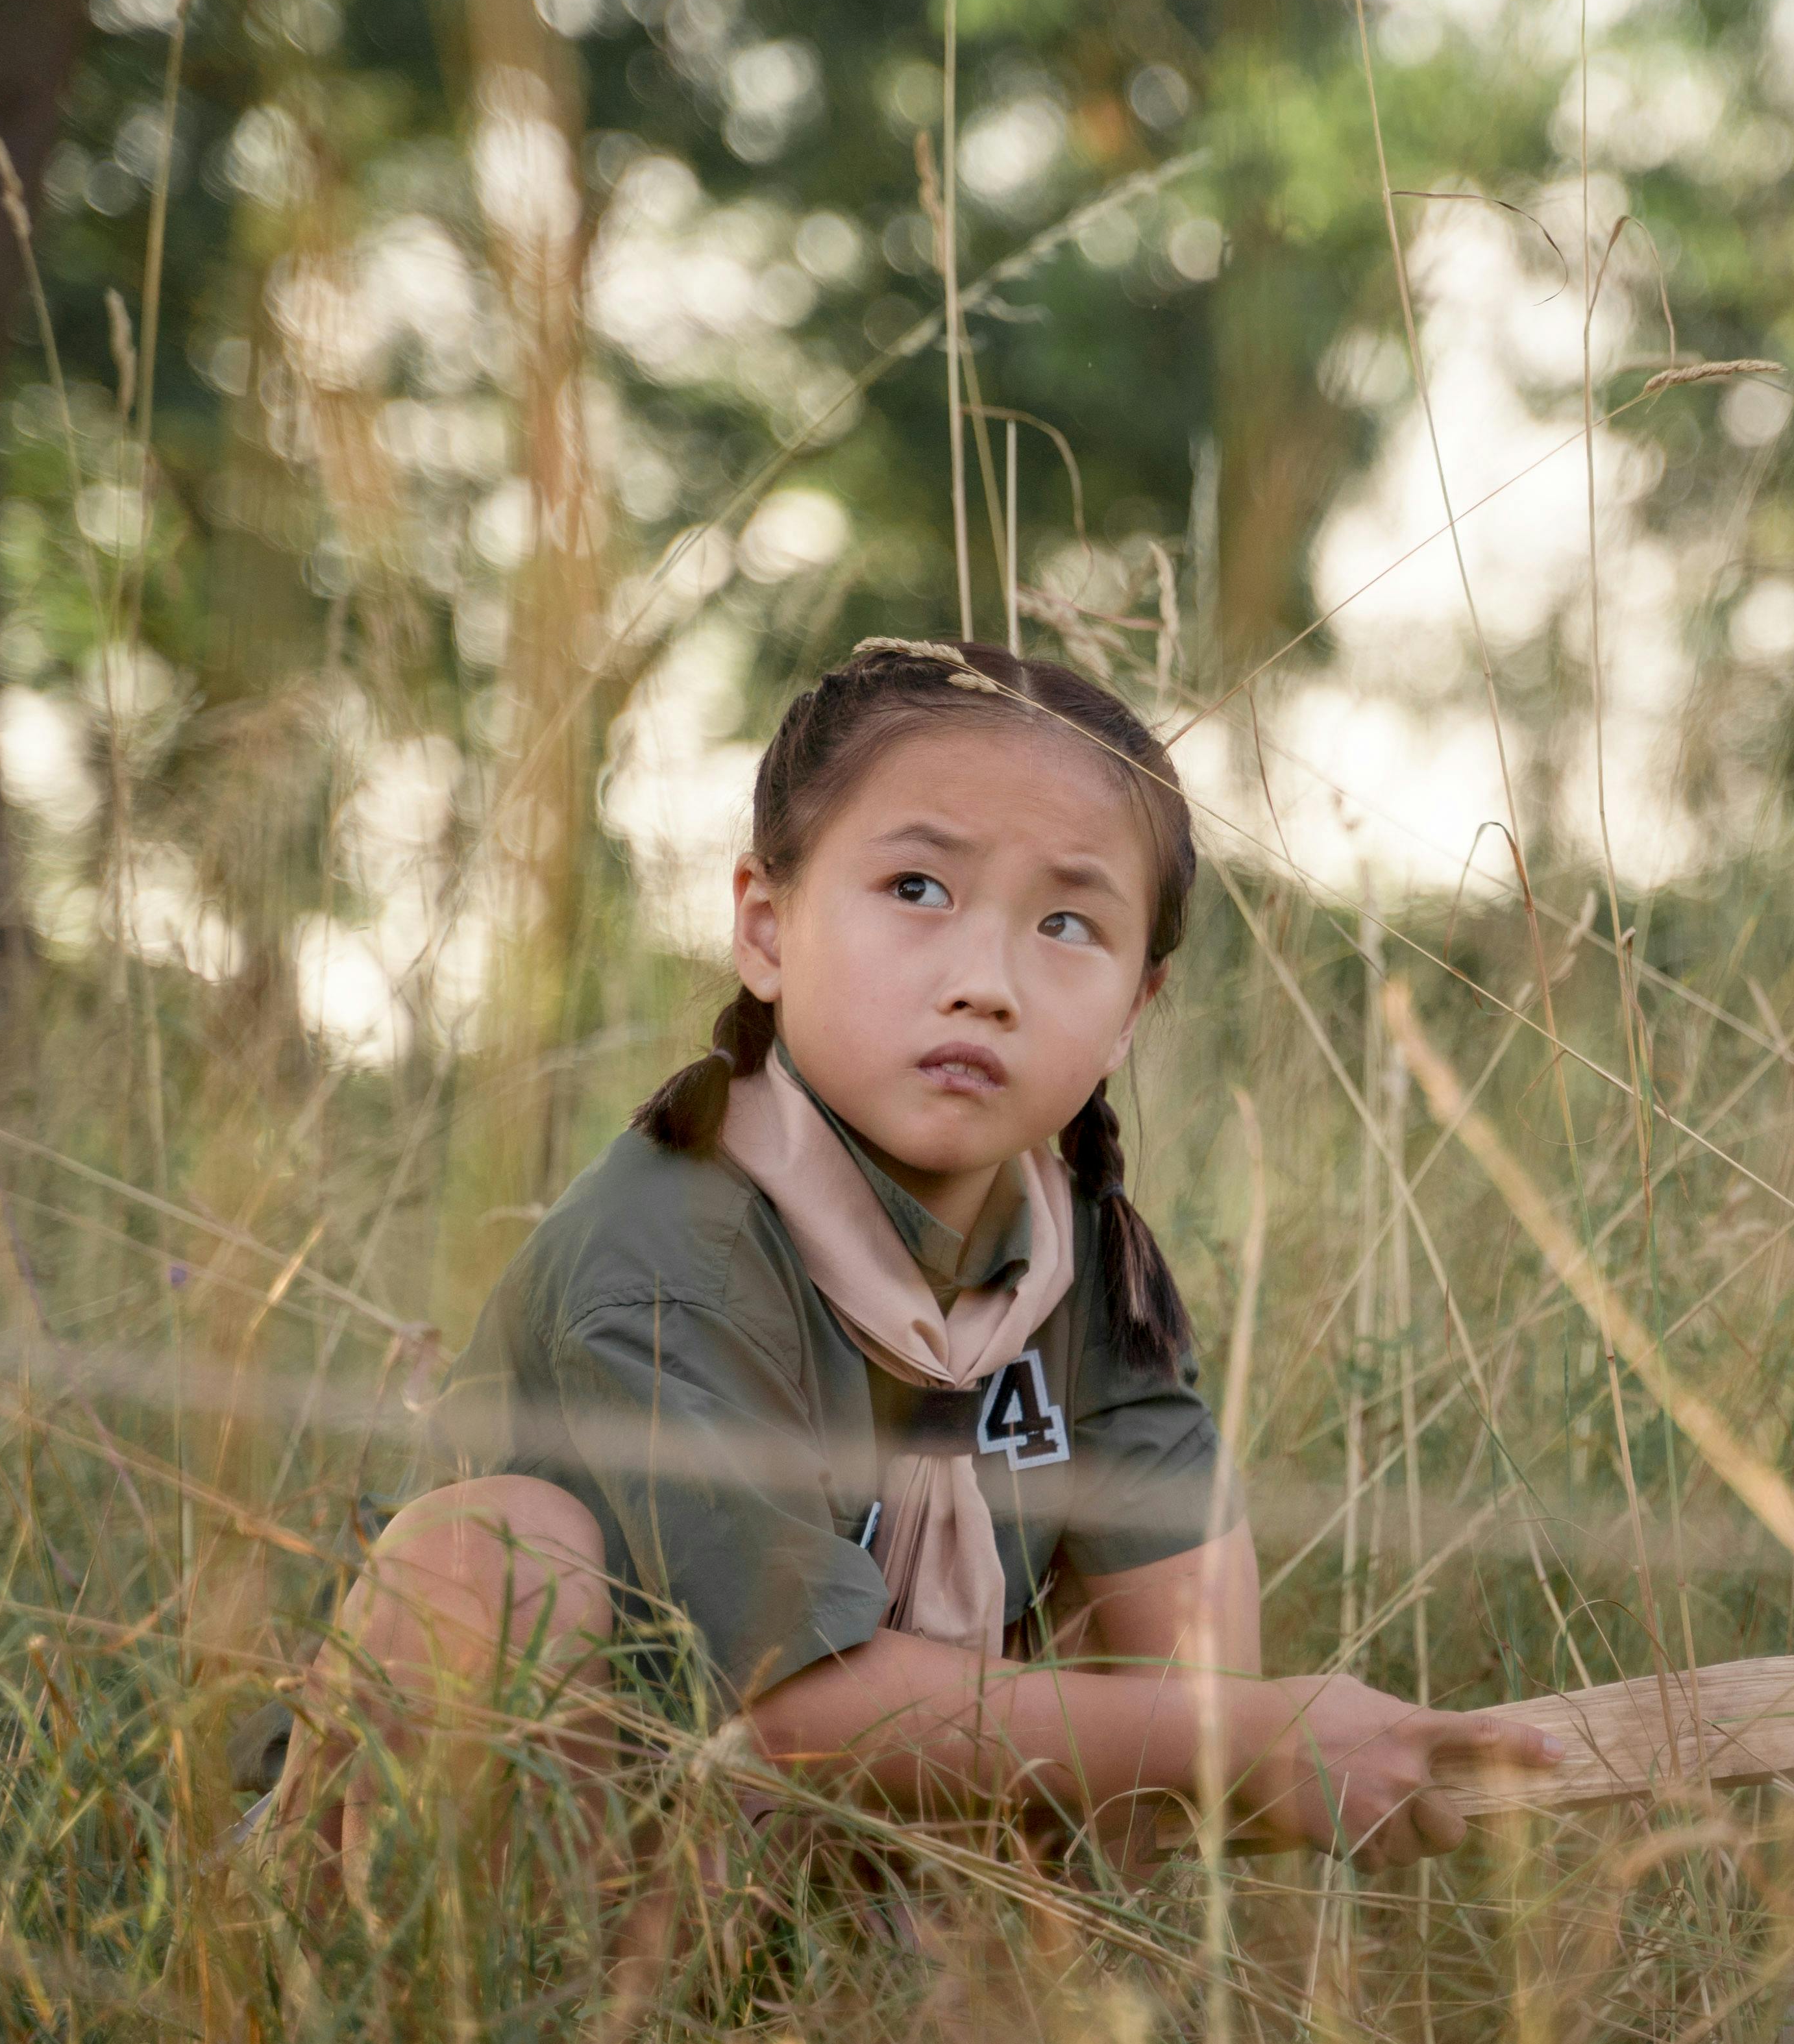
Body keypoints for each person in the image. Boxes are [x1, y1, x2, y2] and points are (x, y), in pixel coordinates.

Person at [269, 635, 1557, 1870]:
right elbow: (793, 1703)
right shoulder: (672, 1242)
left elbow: (1193, 1677)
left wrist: (1320, 1754)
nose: (985, 978)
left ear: (1131, 1010)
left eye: (1068, 925)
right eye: (918, 890)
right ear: (767, 928)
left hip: (813, 1902)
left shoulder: (1082, 1261)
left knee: (1117, 1684)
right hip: (556, 1852)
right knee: (500, 1549)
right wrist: (1245, 1738)